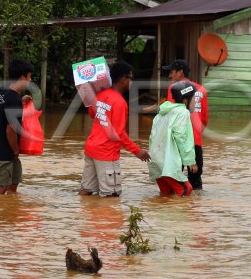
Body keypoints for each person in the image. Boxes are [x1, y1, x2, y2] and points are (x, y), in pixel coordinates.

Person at [80, 60, 148, 197]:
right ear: (123, 79)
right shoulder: (120, 103)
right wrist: (137, 150)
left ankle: (86, 217)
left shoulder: (100, 95)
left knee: (86, 191)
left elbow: (93, 114)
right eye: (131, 79)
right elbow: (119, 133)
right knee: (111, 196)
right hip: (106, 152)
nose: (132, 82)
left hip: (91, 148)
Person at [158, 59, 209, 189]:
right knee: (196, 181)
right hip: (195, 141)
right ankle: (195, 208)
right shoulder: (201, 89)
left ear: (180, 72)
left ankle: (176, 206)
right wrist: (195, 133)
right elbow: (204, 118)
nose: (170, 76)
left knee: (175, 178)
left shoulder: (173, 88)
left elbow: (170, 114)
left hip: (177, 141)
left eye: (172, 72)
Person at [0, 58, 33, 195]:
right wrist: (16, 150)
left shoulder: (5, 92)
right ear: (23, 77)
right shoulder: (13, 100)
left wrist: (21, 101)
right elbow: (10, 130)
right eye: (29, 77)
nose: (30, 81)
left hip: (1, 147)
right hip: (4, 151)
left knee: (14, 181)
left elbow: (6, 108)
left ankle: (10, 212)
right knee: (1, 187)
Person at [148, 80, 199, 196]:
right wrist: (190, 161)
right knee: (186, 190)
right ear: (186, 100)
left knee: (167, 195)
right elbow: (181, 137)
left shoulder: (161, 113)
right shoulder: (182, 112)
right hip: (167, 163)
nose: (195, 103)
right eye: (194, 99)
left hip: (156, 160)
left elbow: (152, 136)